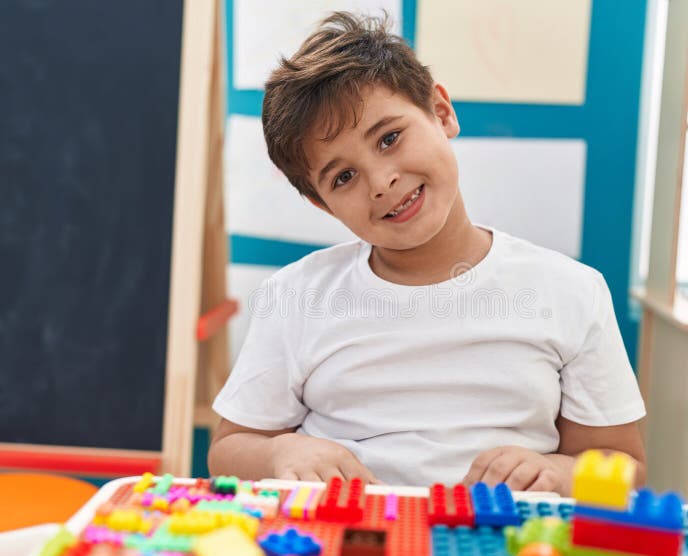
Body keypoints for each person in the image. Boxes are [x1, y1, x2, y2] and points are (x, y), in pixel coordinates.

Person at [208, 11, 646, 493]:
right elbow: (229, 450)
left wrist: (563, 473)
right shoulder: (295, 296)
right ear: (322, 203)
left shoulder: (571, 291)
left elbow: (624, 465)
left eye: (389, 138)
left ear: (441, 112)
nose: (382, 182)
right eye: (343, 177)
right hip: (346, 545)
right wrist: (279, 451)